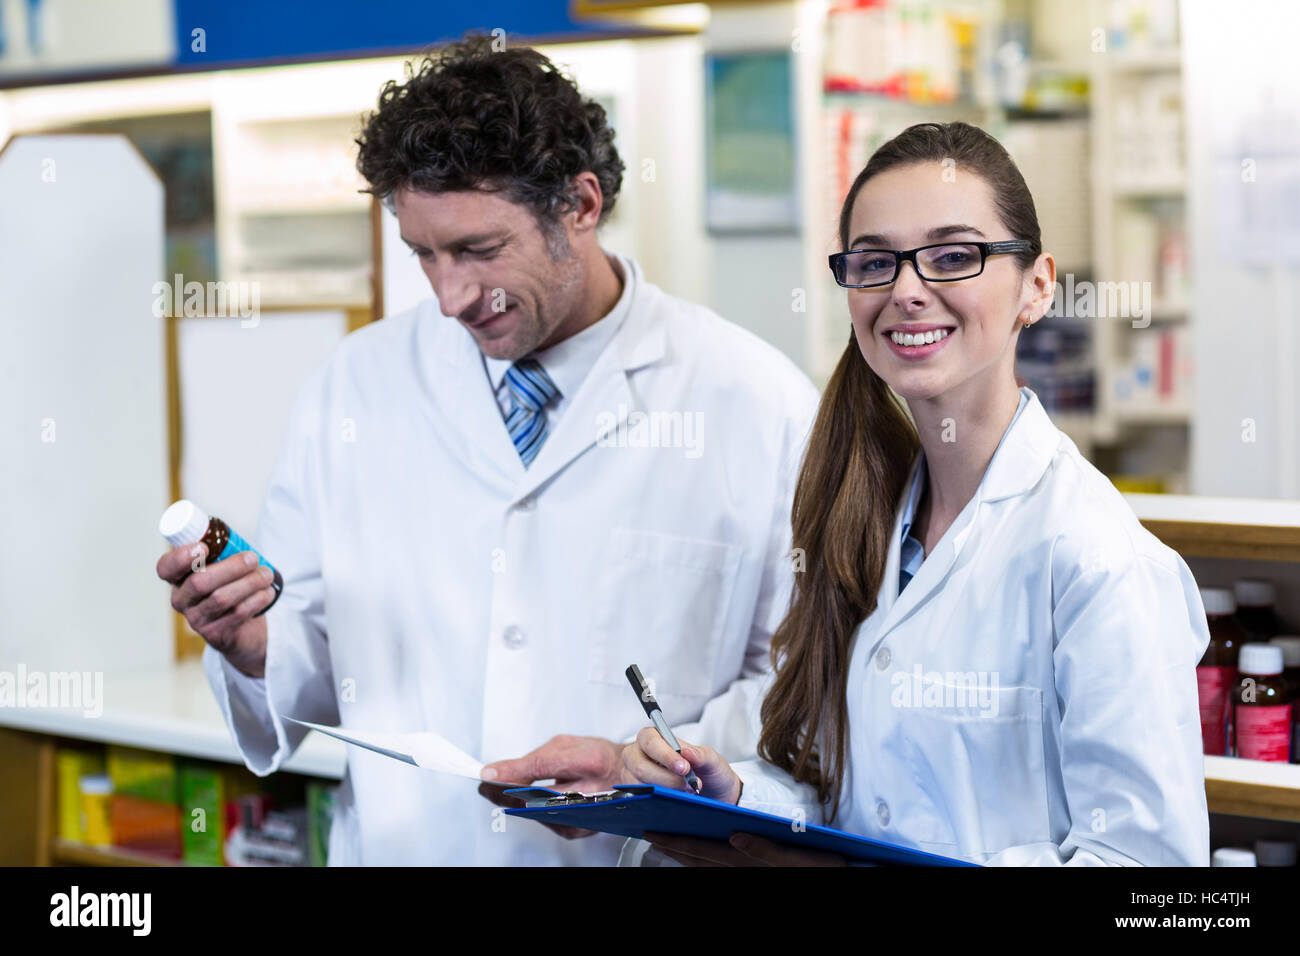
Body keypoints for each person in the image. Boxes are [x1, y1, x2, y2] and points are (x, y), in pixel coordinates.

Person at [155, 36, 818, 865]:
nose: (450, 297)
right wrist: (254, 647)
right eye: (423, 255)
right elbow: (305, 655)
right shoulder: (353, 386)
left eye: (478, 250)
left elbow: (802, 686)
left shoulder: (757, 401)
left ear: (579, 205)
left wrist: (654, 769)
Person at [622, 121, 1211, 867]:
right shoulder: (863, 520)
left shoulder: (1100, 562)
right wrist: (737, 800)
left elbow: (1149, 873)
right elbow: (854, 794)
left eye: (954, 256)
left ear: (1037, 286)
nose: (905, 290)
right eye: (875, 262)